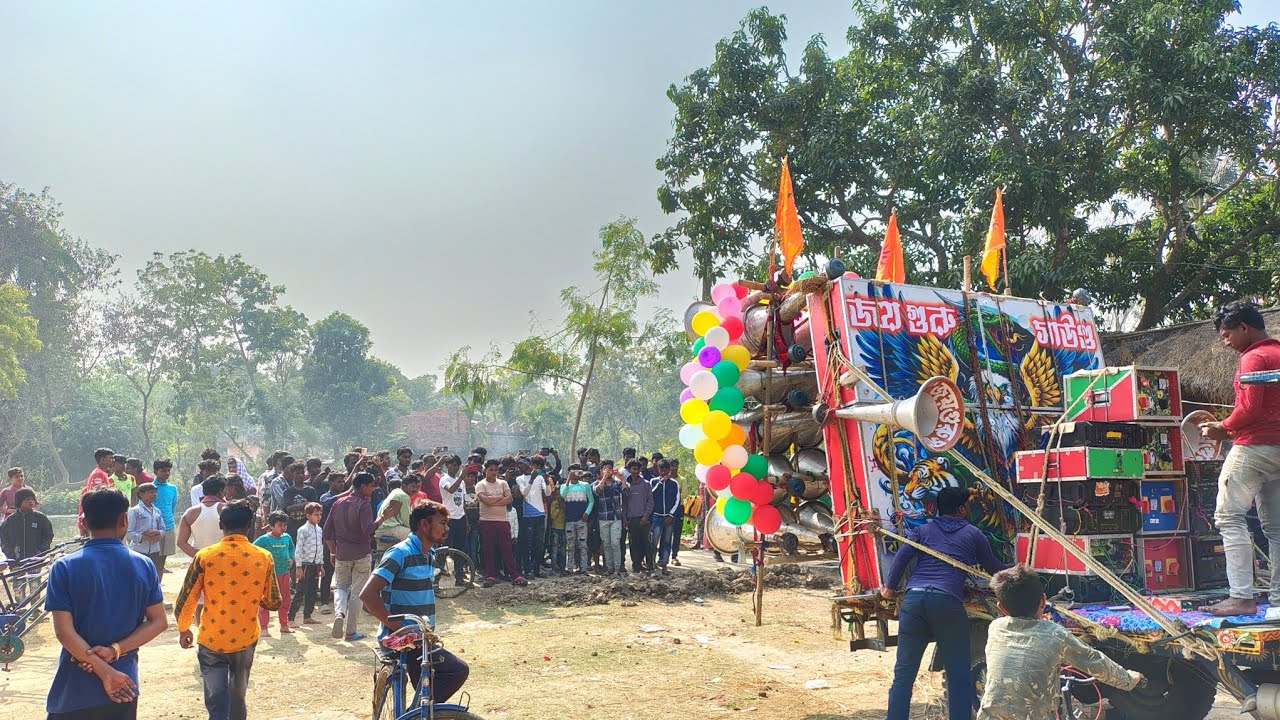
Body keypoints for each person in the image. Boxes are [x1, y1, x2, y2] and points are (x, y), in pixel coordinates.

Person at [881, 487, 1008, 720]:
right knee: (958, 674)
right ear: (961, 509)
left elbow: (902, 556)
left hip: (914, 600)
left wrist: (889, 588)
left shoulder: (923, 530)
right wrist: (1020, 572)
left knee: (903, 674)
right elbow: (993, 568)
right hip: (946, 602)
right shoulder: (973, 533)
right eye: (967, 505)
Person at [45, 488, 167, 720]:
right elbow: (159, 621)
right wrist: (114, 651)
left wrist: (99, 667)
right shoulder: (144, 565)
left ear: (83, 522)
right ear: (124, 519)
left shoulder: (64, 567)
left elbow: (64, 632)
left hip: (75, 688)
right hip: (123, 685)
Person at [1199, 300, 1280, 617]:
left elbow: (1250, 409)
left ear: (1243, 327)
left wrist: (1222, 428)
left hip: (1254, 448)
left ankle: (1241, 596)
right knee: (1276, 530)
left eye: (1226, 334)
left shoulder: (1254, 358)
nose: (1225, 342)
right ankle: (1277, 601)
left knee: (1229, 517)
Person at [977, 565, 1141, 719]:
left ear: (1001, 608)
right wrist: (1128, 679)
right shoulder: (1054, 634)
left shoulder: (995, 628)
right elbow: (1095, 661)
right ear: (1043, 601)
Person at [175, 501, 281, 720]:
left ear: (221, 525)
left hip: (212, 639)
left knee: (216, 698)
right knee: (237, 696)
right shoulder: (263, 556)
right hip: (245, 638)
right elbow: (273, 601)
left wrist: (184, 628)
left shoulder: (205, 556)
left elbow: (187, 599)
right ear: (250, 525)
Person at [359, 501, 470, 703]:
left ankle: (416, 713)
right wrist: (400, 628)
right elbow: (367, 595)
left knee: (428, 695)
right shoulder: (400, 553)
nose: (446, 529)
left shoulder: (430, 553)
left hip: (421, 641)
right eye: (442, 523)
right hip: (403, 643)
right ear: (424, 525)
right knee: (457, 670)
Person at [324, 470, 378, 641]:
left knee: (341, 587)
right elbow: (368, 529)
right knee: (357, 592)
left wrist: (333, 550)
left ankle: (339, 613)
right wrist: (383, 518)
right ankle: (350, 631)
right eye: (371, 486)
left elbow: (326, 532)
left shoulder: (338, 503)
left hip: (342, 553)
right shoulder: (364, 505)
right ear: (363, 486)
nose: (373, 489)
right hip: (361, 552)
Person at [476, 459, 525, 587]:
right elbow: (485, 500)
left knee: (507, 549)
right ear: (485, 470)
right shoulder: (480, 484)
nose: (493, 472)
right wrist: (500, 498)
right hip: (486, 521)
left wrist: (493, 500)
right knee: (489, 549)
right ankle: (491, 575)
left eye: (496, 470)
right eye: (490, 469)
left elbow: (509, 499)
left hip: (503, 521)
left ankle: (514, 575)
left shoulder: (503, 483)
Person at [252, 511, 295, 634]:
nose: (283, 528)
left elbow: (292, 548)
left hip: (284, 574)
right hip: (268, 576)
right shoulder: (263, 539)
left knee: (285, 599)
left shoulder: (287, 537)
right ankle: (264, 628)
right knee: (266, 601)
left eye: (285, 525)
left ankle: (284, 625)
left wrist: (291, 558)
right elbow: (252, 551)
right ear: (271, 526)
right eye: (280, 525)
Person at [291, 502, 325, 626]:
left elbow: (320, 547)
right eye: (316, 514)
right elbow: (298, 549)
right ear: (308, 515)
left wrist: (321, 564)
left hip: (315, 564)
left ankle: (307, 616)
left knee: (313, 590)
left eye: (320, 514)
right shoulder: (303, 530)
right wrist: (298, 566)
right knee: (300, 591)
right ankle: (291, 618)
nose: (318, 517)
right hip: (304, 564)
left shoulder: (319, 529)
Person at [516, 458, 550, 578]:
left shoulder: (540, 478)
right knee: (527, 544)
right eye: (518, 465)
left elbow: (548, 493)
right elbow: (524, 493)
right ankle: (527, 570)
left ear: (529, 465)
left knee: (539, 544)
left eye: (522, 464)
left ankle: (536, 569)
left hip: (540, 513)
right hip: (528, 515)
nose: (520, 466)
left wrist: (547, 481)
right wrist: (531, 479)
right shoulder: (519, 479)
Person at [178, 476, 227, 559]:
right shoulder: (227, 509)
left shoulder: (190, 512)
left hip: (199, 563)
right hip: (223, 560)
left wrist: (200, 556)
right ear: (221, 491)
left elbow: (181, 543)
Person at [1, 487, 52, 562]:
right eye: (27, 499)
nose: (31, 501)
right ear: (19, 501)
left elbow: (48, 536)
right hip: (15, 561)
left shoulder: (41, 518)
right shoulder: (10, 520)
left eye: (32, 499)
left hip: (37, 559)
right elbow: (4, 540)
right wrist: (11, 555)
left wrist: (41, 551)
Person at [126, 483, 166, 574]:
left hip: (154, 550)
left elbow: (163, 529)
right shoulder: (135, 511)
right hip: (138, 550)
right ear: (141, 494)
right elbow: (128, 532)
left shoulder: (157, 511)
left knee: (153, 575)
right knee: (139, 575)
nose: (154, 494)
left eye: (155, 492)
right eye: (151, 492)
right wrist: (144, 537)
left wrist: (157, 533)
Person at [649, 460, 681, 575]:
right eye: (661, 470)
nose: (663, 472)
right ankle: (651, 562)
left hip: (669, 517)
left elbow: (677, 500)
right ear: (658, 470)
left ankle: (664, 564)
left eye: (666, 470)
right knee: (654, 540)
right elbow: (651, 496)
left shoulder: (674, 483)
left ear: (669, 470)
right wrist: (660, 483)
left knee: (667, 541)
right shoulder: (653, 482)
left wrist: (671, 515)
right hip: (656, 516)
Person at [560, 469, 595, 575]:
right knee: (570, 545)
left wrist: (587, 513)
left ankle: (583, 567)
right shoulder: (564, 486)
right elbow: (562, 495)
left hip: (581, 519)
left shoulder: (585, 485)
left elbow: (591, 500)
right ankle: (569, 568)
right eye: (572, 473)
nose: (574, 475)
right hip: (569, 519)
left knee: (583, 544)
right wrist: (568, 481)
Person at [622, 460, 653, 574]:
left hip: (643, 518)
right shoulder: (626, 484)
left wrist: (646, 516)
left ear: (640, 470)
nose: (635, 471)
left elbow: (650, 502)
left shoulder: (646, 484)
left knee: (646, 543)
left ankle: (650, 565)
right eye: (633, 469)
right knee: (633, 544)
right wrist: (625, 518)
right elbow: (624, 503)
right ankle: (636, 566)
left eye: (637, 469)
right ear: (629, 470)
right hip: (632, 519)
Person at [594, 461, 625, 575]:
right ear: (601, 471)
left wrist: (622, 478)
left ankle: (617, 568)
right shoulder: (597, 483)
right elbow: (597, 491)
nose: (608, 471)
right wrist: (604, 478)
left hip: (616, 517)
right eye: (606, 469)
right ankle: (609, 567)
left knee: (615, 543)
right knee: (606, 544)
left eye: (610, 469)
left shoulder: (617, 483)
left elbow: (626, 491)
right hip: (603, 517)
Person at [79, 448, 118, 535]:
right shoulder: (98, 474)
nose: (113, 460)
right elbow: (97, 497)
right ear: (103, 459)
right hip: (95, 517)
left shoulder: (102, 473)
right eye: (110, 458)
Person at [150, 459, 179, 573]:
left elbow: (173, 507)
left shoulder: (173, 488)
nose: (166, 473)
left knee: (163, 557)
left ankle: (159, 582)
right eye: (163, 471)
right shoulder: (149, 488)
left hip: (168, 525)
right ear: (156, 471)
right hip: (152, 527)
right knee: (152, 556)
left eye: (168, 471)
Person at [546, 472, 567, 575]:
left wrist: (562, 506)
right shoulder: (554, 504)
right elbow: (553, 516)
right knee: (554, 550)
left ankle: (563, 568)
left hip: (563, 528)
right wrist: (559, 508)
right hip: (555, 528)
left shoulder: (565, 503)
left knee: (563, 550)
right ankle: (554, 568)